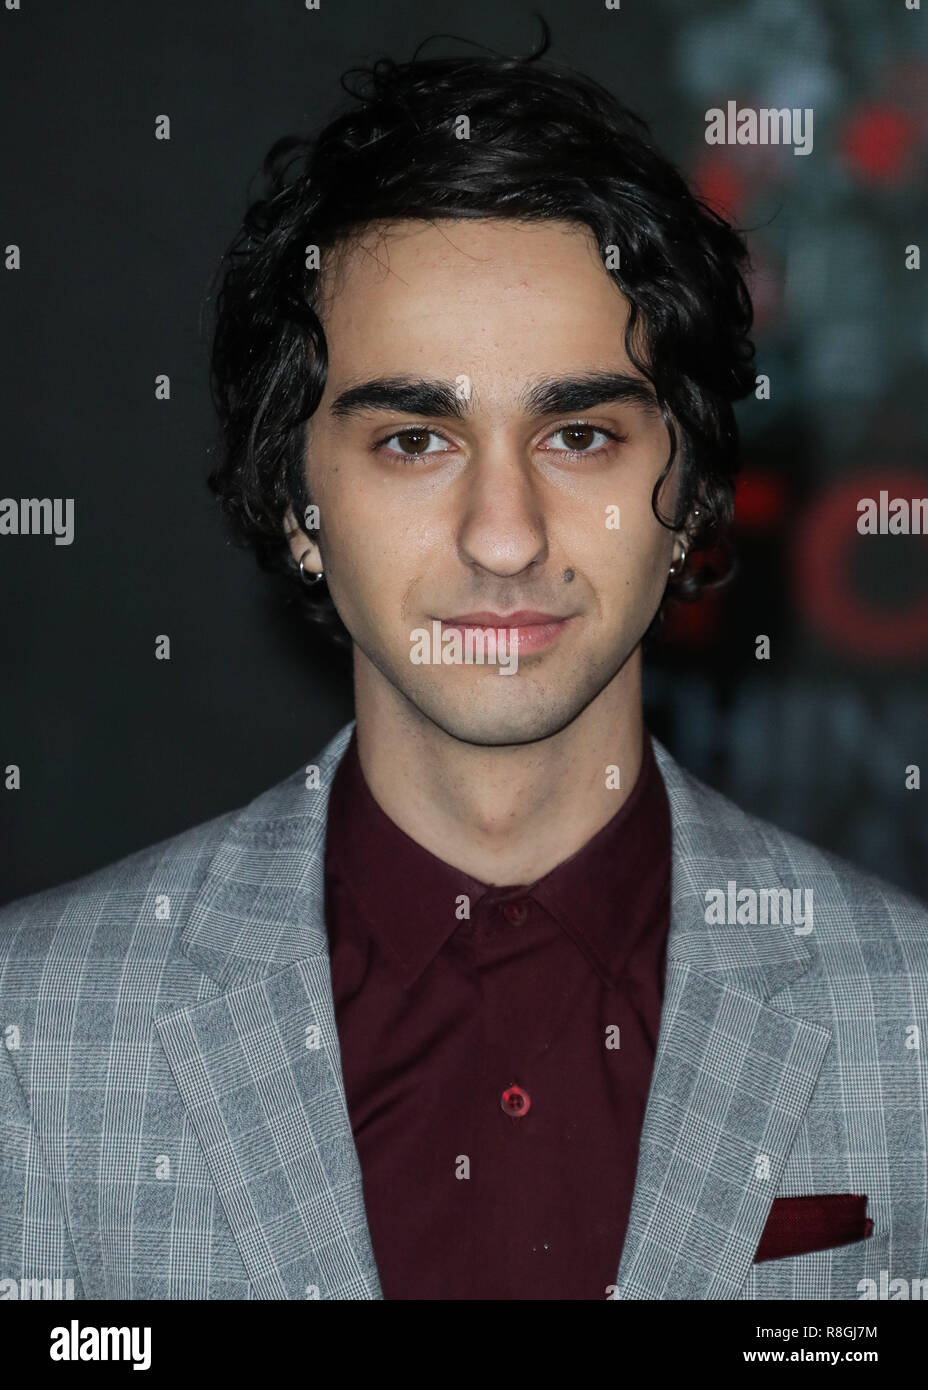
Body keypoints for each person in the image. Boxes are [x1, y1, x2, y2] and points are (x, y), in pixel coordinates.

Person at [2, 29, 926, 1302]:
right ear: (293, 497)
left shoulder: (907, 1025)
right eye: (414, 442)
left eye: (582, 434)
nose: (505, 535)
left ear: (695, 487)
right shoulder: (38, 1034)